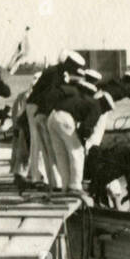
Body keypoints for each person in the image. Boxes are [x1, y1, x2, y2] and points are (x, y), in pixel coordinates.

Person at [26, 50, 84, 190]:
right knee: (37, 143)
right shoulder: (54, 73)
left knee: (47, 144)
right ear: (68, 64)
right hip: (36, 106)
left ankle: (53, 181)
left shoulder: (59, 71)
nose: (75, 70)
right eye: (74, 67)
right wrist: (44, 113)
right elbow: (49, 95)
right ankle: (36, 177)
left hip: (43, 107)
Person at [47, 79, 107, 198]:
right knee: (77, 152)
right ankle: (75, 187)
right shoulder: (97, 107)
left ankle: (65, 187)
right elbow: (86, 128)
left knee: (61, 154)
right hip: (65, 119)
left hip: (52, 117)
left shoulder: (81, 99)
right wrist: (83, 143)